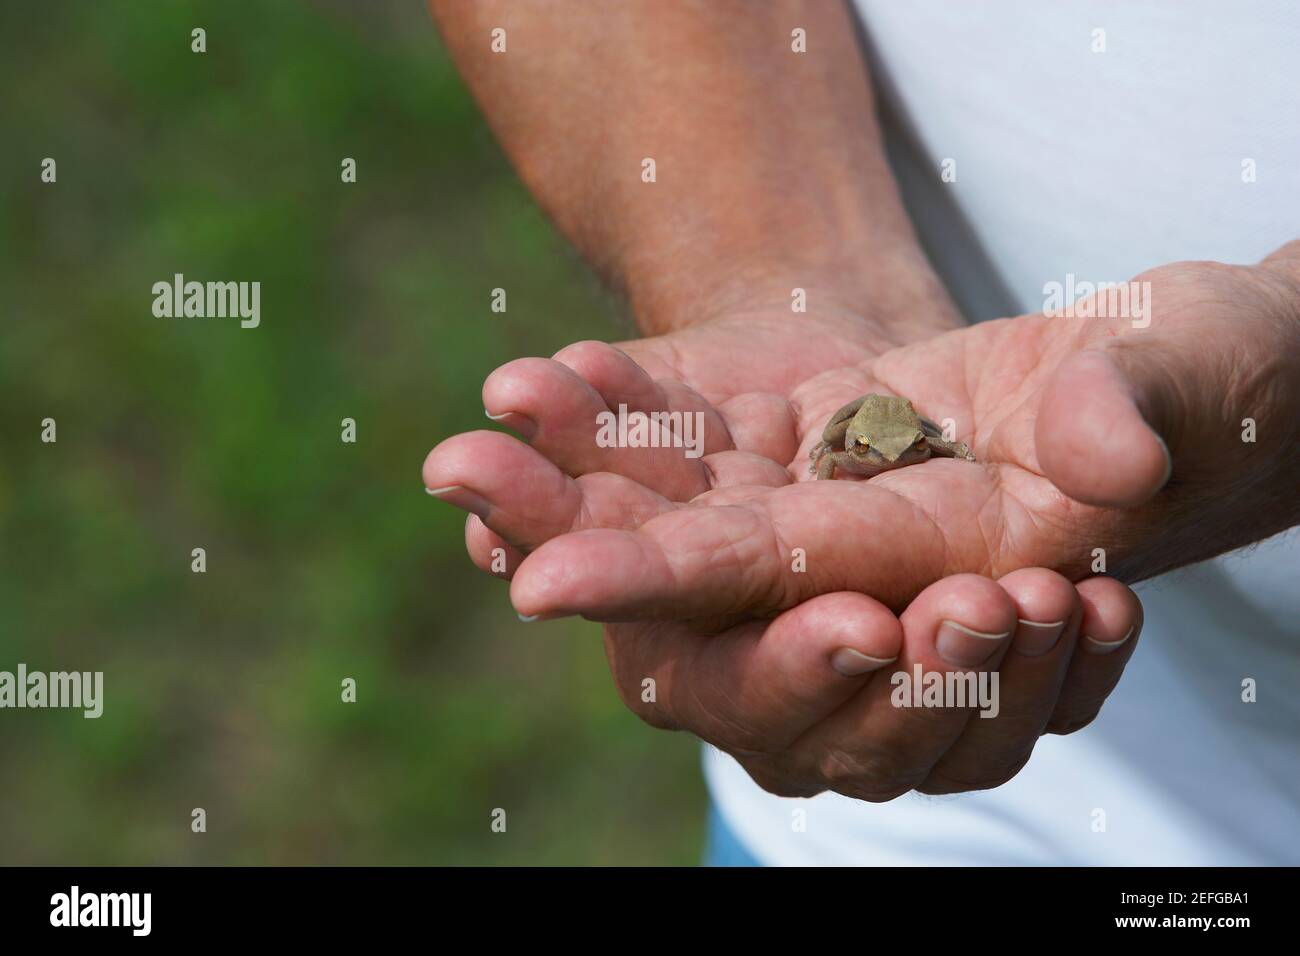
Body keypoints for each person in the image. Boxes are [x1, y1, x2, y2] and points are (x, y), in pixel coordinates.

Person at [423, 0, 1300, 864]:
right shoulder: (863, 440)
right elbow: (851, 437)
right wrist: (780, 276)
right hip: (907, 830)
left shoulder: (914, 436)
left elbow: (925, 436)